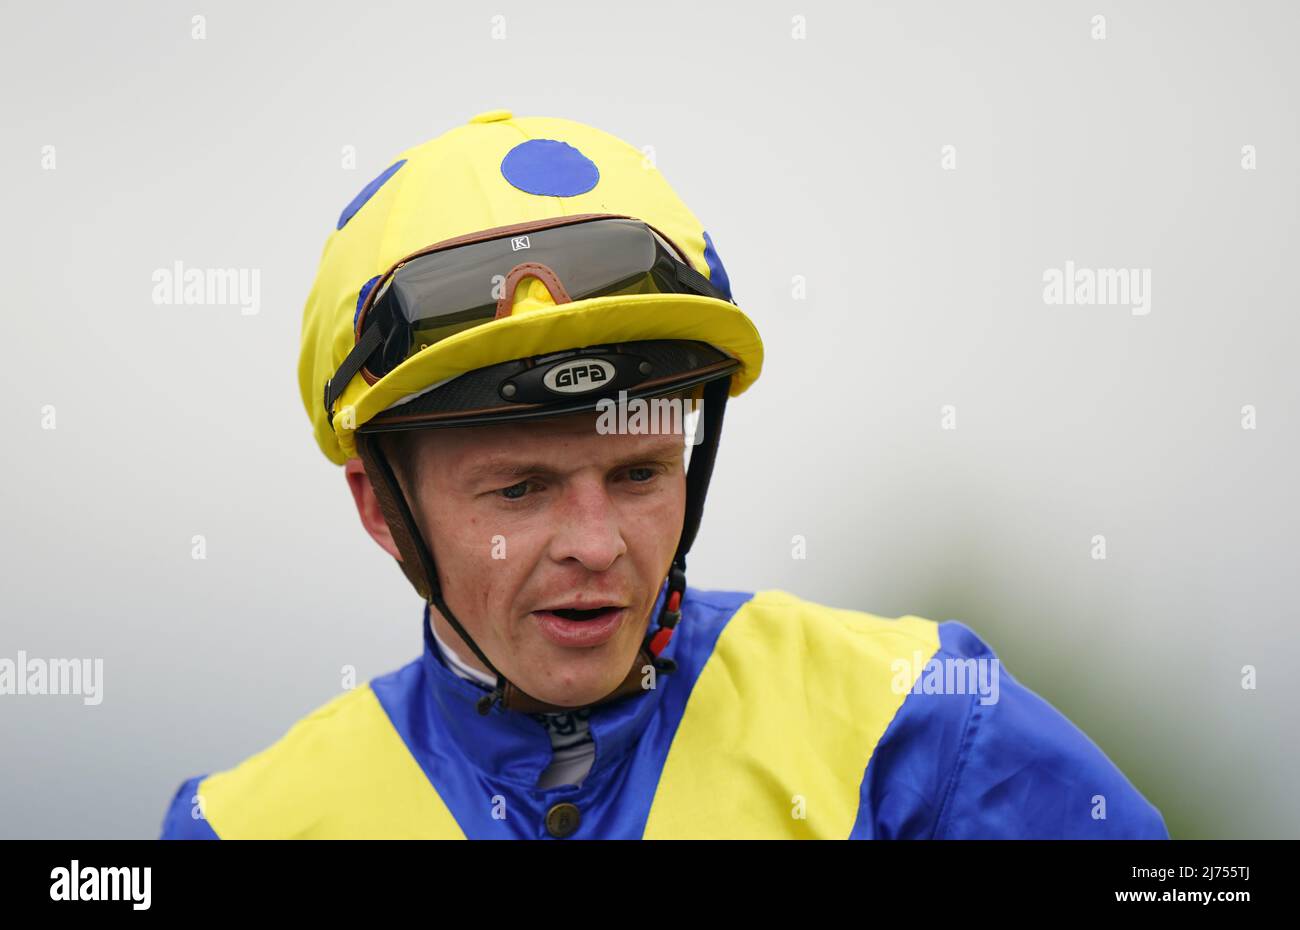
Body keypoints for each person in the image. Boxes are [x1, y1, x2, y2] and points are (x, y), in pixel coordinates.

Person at [159, 110, 1169, 839]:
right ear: (382, 508)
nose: (596, 545)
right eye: (520, 490)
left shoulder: (920, 724)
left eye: (639, 472)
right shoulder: (243, 826)